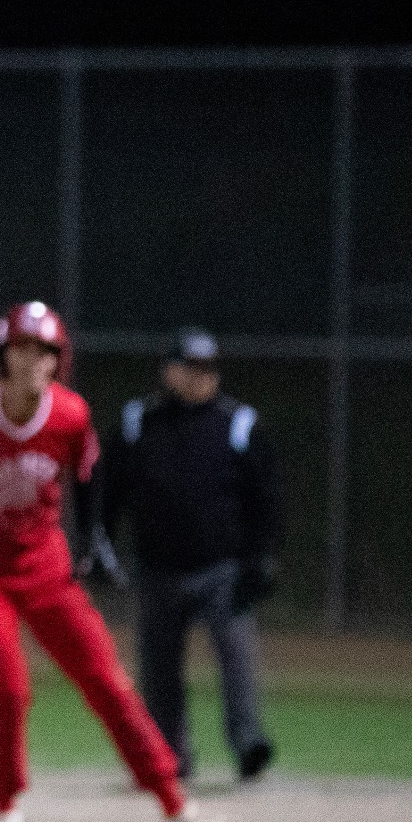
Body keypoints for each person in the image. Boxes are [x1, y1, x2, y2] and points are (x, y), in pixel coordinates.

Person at [0, 302, 244, 822]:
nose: (35, 360)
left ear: (60, 360)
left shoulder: (69, 414)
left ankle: (179, 810)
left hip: (45, 570)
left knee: (109, 684)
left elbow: (89, 472)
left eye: (46, 351)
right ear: (2, 355)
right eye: (24, 348)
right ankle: (6, 817)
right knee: (11, 688)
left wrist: (94, 542)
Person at [104, 327, 283, 782]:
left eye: (208, 368)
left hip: (221, 568)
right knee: (160, 668)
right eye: (191, 367)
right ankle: (168, 755)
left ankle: (247, 742)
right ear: (169, 370)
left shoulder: (238, 422)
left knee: (236, 658)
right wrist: (99, 540)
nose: (201, 377)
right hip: (157, 567)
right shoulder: (138, 421)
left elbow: (266, 497)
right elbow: (109, 489)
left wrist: (263, 557)